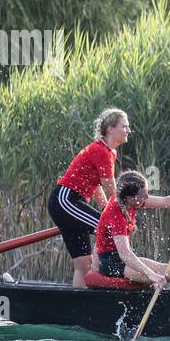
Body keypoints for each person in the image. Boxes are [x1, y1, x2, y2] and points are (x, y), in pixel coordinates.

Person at [47, 107, 129, 287]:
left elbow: (99, 187)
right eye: (124, 126)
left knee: (83, 264)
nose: (128, 130)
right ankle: (116, 278)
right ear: (110, 129)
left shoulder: (109, 151)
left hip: (68, 202)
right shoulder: (101, 151)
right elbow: (112, 190)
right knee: (108, 231)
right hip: (66, 200)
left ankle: (80, 303)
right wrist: (121, 217)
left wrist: (108, 210)